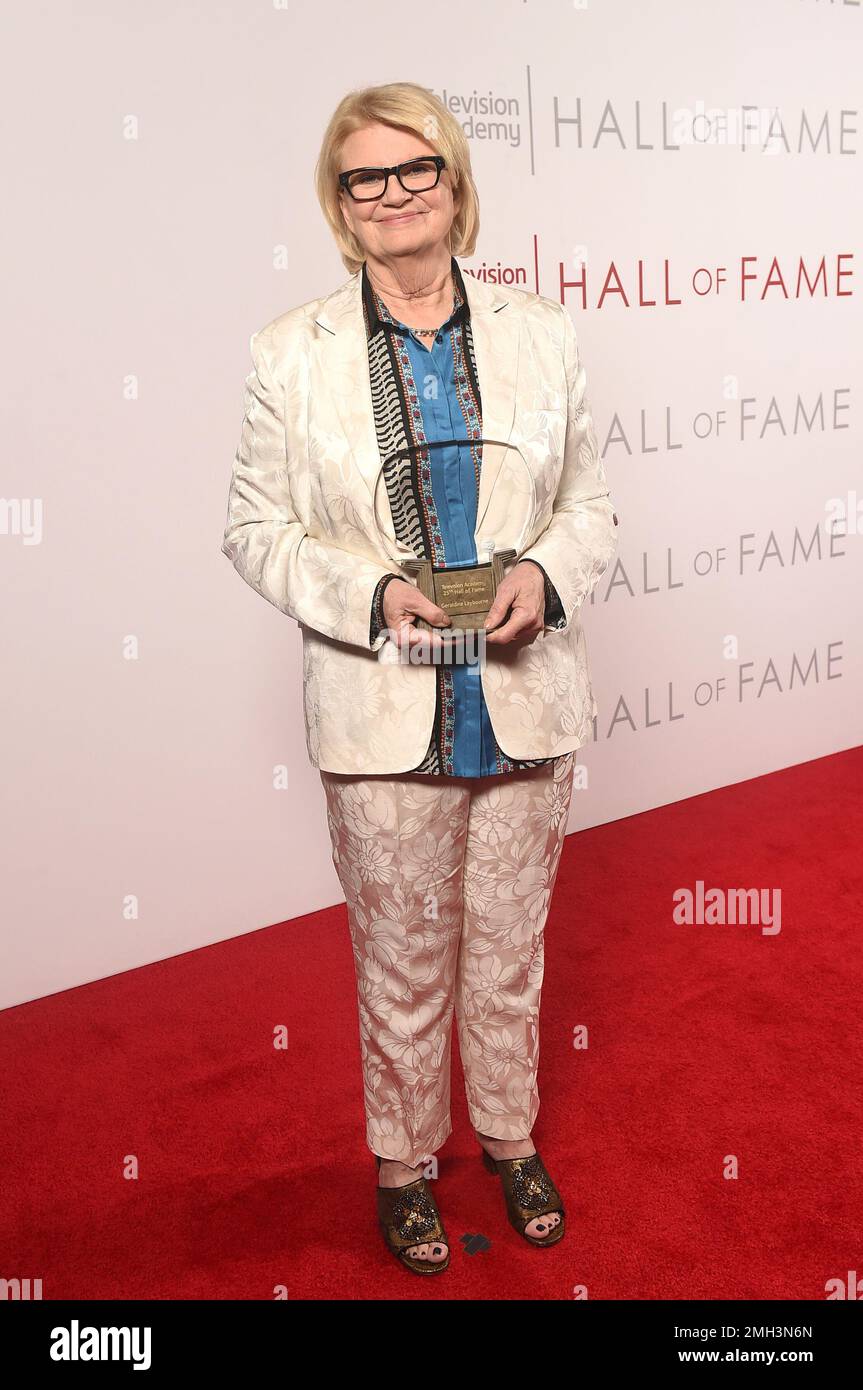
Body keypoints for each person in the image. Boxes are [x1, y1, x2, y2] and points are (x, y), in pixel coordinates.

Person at [221, 81, 619, 1276]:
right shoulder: (292, 353)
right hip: (384, 702)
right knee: (398, 961)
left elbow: (588, 505)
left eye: (414, 169)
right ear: (339, 205)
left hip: (520, 696)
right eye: (364, 178)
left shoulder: (541, 332)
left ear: (453, 182)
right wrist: (367, 596)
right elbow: (254, 529)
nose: (392, 194)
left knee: (508, 948)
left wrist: (544, 577)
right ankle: (402, 1166)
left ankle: (507, 1138)